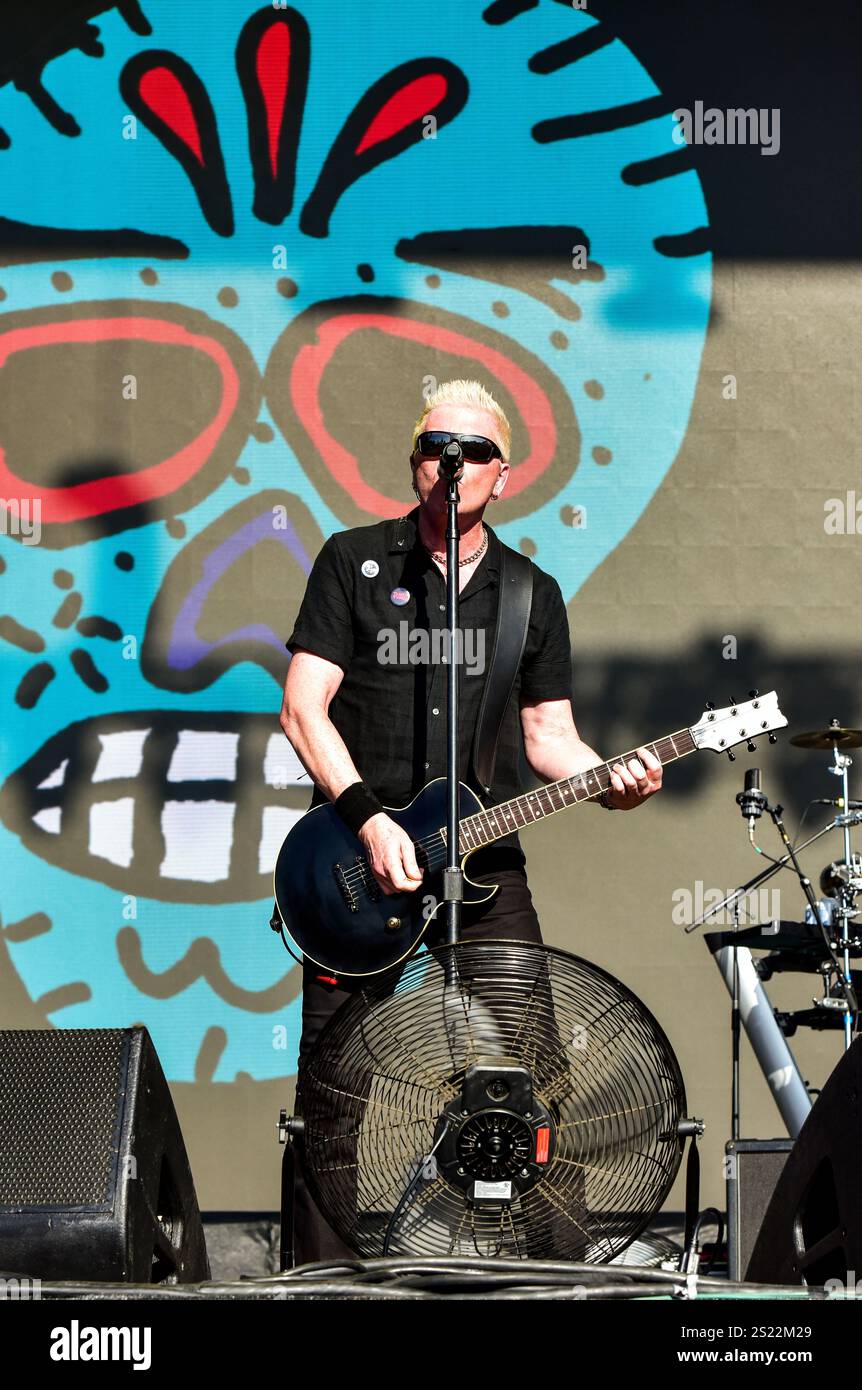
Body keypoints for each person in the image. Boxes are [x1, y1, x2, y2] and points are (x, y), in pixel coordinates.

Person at [279, 378, 662, 1263]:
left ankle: (548, 1270)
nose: (454, 465)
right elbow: (305, 709)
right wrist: (371, 821)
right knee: (334, 1092)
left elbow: (549, 738)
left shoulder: (530, 592)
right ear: (416, 464)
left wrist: (612, 780)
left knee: (533, 1071)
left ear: (505, 474)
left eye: (476, 451)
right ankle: (317, 1283)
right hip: (357, 861)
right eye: (435, 448)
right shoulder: (353, 562)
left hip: (483, 863)